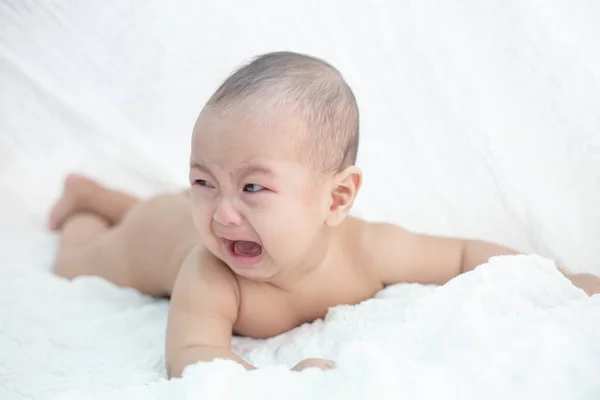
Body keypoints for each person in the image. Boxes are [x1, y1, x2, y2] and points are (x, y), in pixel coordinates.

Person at [49, 51, 600, 378]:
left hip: (167, 215)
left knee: (172, 205)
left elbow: (461, 255)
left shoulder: (367, 249)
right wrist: (280, 381)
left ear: (336, 200)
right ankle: (85, 204)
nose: (221, 214)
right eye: (203, 180)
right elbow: (194, 358)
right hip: (150, 240)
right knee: (75, 262)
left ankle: (109, 194)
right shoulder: (211, 273)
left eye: (254, 185)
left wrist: (555, 278)